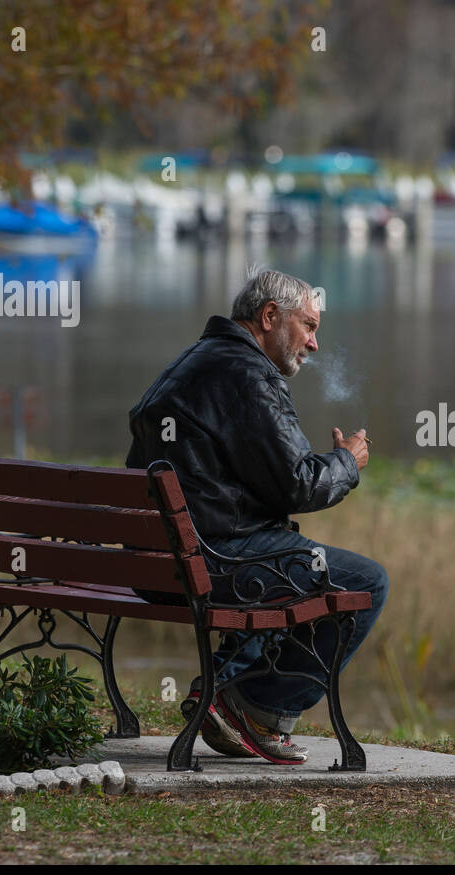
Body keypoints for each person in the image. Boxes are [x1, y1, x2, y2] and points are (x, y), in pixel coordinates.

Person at [125, 268, 387, 763]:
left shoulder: (193, 362)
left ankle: (224, 692)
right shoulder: (251, 377)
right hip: (211, 563)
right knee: (366, 582)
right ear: (269, 317)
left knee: (285, 551)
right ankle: (259, 708)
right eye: (308, 326)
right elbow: (300, 485)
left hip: (155, 564)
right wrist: (347, 463)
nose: (314, 343)